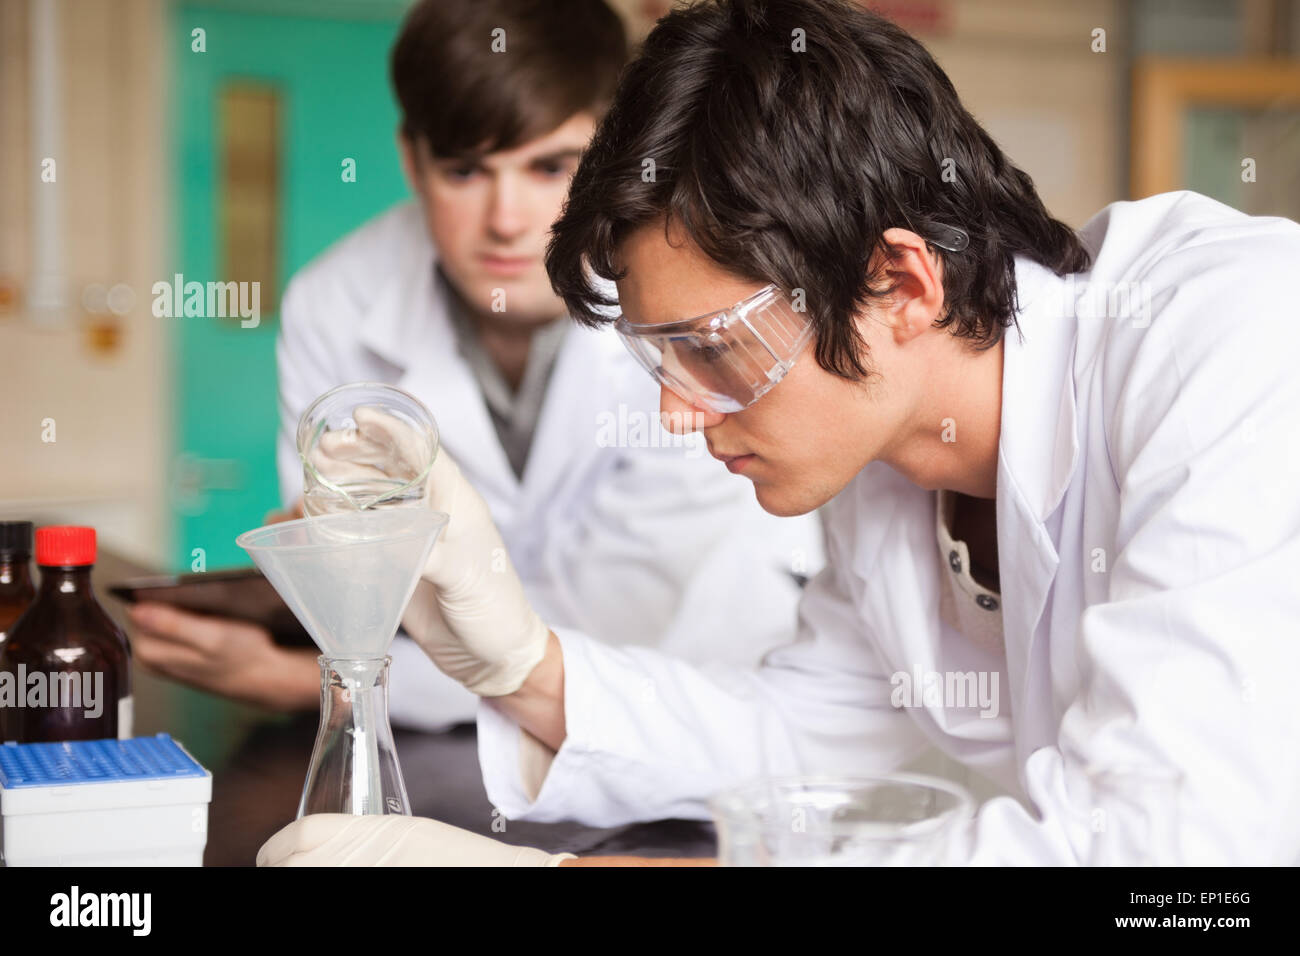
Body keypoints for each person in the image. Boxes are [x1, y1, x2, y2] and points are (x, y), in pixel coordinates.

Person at [258, 0, 1300, 867]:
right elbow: (803, 734)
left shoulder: (1232, 339)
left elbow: (1172, 854)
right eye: (658, 358)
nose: (677, 411)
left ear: (900, 283)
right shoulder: (885, 458)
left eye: (710, 348)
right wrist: (520, 665)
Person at [128, 0, 823, 732]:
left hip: (694, 711)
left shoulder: (687, 304)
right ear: (411, 161)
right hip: (454, 731)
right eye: (464, 171)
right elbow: (354, 597)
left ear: (614, 152)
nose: (506, 221)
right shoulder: (334, 304)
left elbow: (605, 631)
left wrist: (317, 683)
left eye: (550, 166)